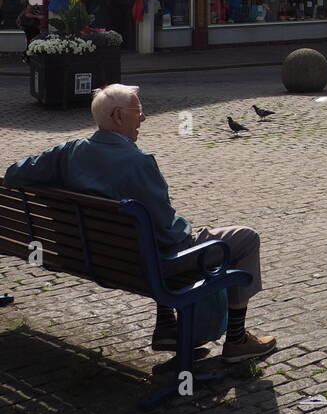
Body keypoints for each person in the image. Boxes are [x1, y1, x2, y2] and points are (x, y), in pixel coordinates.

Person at [2, 83, 275, 362]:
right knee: (245, 238)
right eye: (139, 111)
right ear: (118, 117)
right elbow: (169, 234)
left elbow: (13, 174)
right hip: (147, 265)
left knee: (147, 239)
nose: (143, 118)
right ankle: (237, 340)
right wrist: (188, 228)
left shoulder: (68, 151)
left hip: (96, 258)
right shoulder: (138, 162)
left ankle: (169, 327)